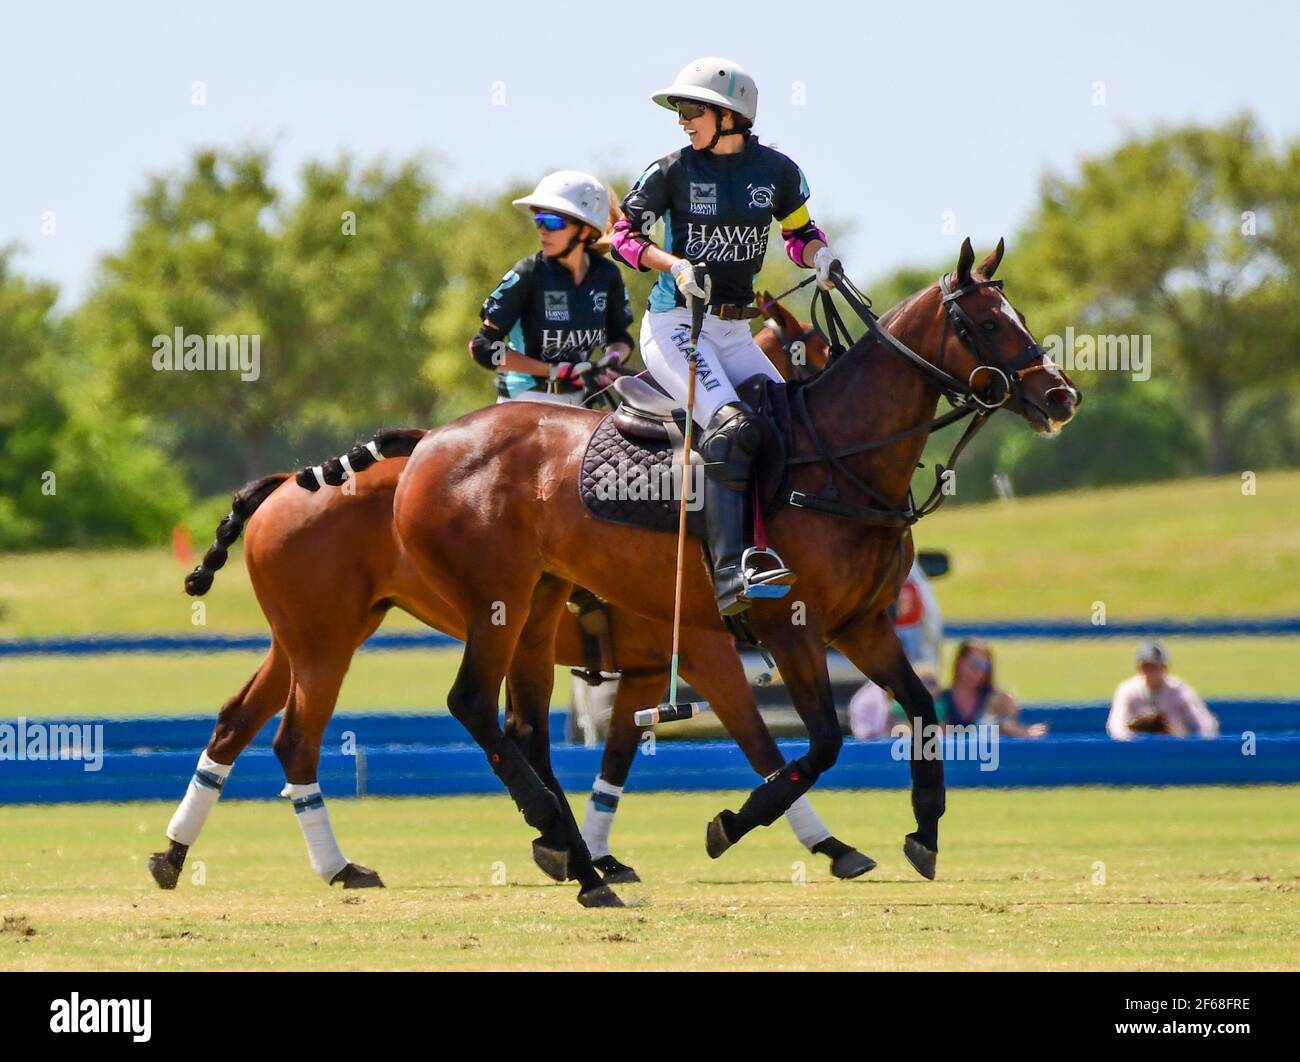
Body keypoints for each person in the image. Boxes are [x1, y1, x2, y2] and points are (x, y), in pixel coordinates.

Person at [610, 56, 844, 616]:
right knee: (732, 428)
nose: (683, 121)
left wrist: (820, 257)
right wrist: (672, 265)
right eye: (682, 112)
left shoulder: (779, 172)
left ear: (728, 115)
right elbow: (622, 237)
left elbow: (800, 234)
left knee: (791, 423)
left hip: (735, 331)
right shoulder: (670, 171)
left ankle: (779, 548)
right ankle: (729, 574)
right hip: (676, 325)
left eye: (691, 110)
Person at [470, 171, 634, 405]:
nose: (543, 230)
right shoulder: (527, 274)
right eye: (539, 221)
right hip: (525, 399)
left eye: (552, 222)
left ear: (585, 230)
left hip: (582, 400)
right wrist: (552, 371)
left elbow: (620, 338)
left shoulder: (607, 275)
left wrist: (611, 359)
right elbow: (482, 347)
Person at [935, 638, 1047, 738]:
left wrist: (1018, 731)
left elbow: (1010, 730)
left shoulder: (998, 701)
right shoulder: (941, 700)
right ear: (959, 663)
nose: (979, 671)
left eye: (984, 666)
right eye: (974, 664)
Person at [1107, 640, 1219, 740]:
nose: (1151, 672)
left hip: (1175, 751)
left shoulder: (1179, 690)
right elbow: (1116, 727)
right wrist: (1131, 740)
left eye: (1156, 666)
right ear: (1139, 669)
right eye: (1147, 666)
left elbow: (1206, 725)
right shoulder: (1127, 690)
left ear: (1165, 668)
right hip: (1137, 753)